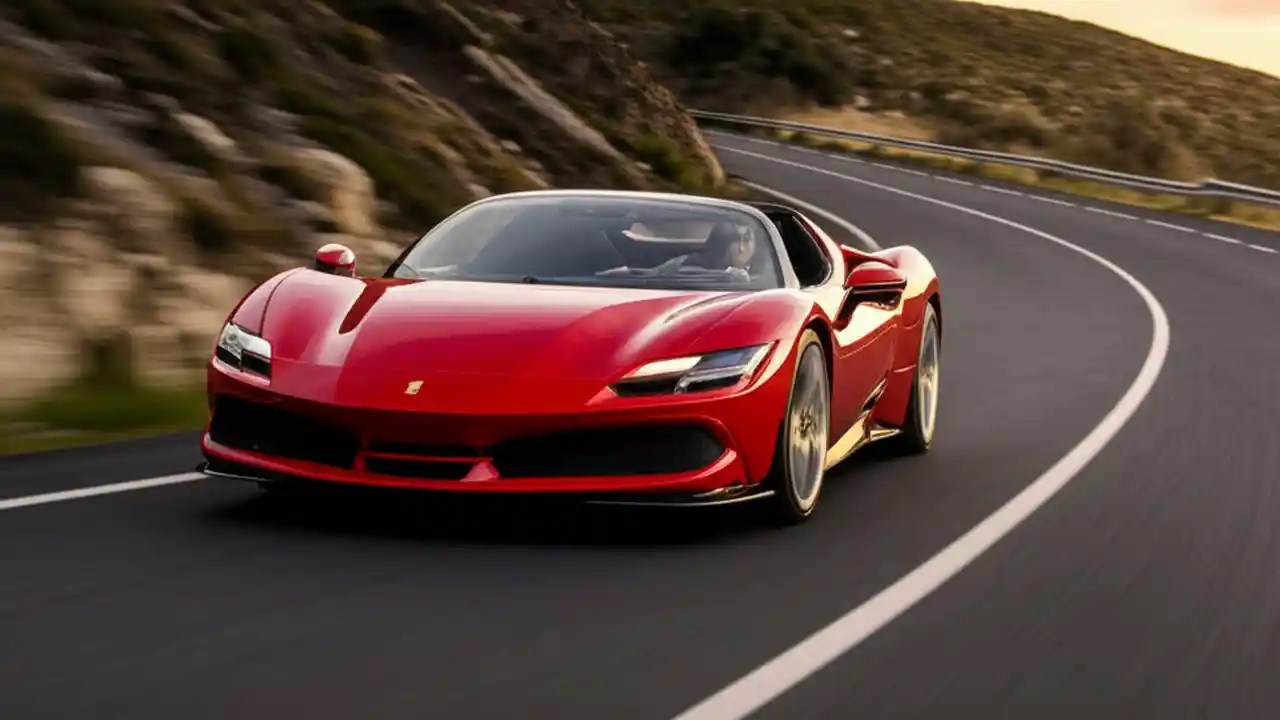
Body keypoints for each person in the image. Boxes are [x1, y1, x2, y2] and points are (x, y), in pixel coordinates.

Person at [657, 220, 756, 274]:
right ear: (741, 247)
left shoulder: (680, 264)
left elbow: (653, 275)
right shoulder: (739, 279)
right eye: (752, 241)